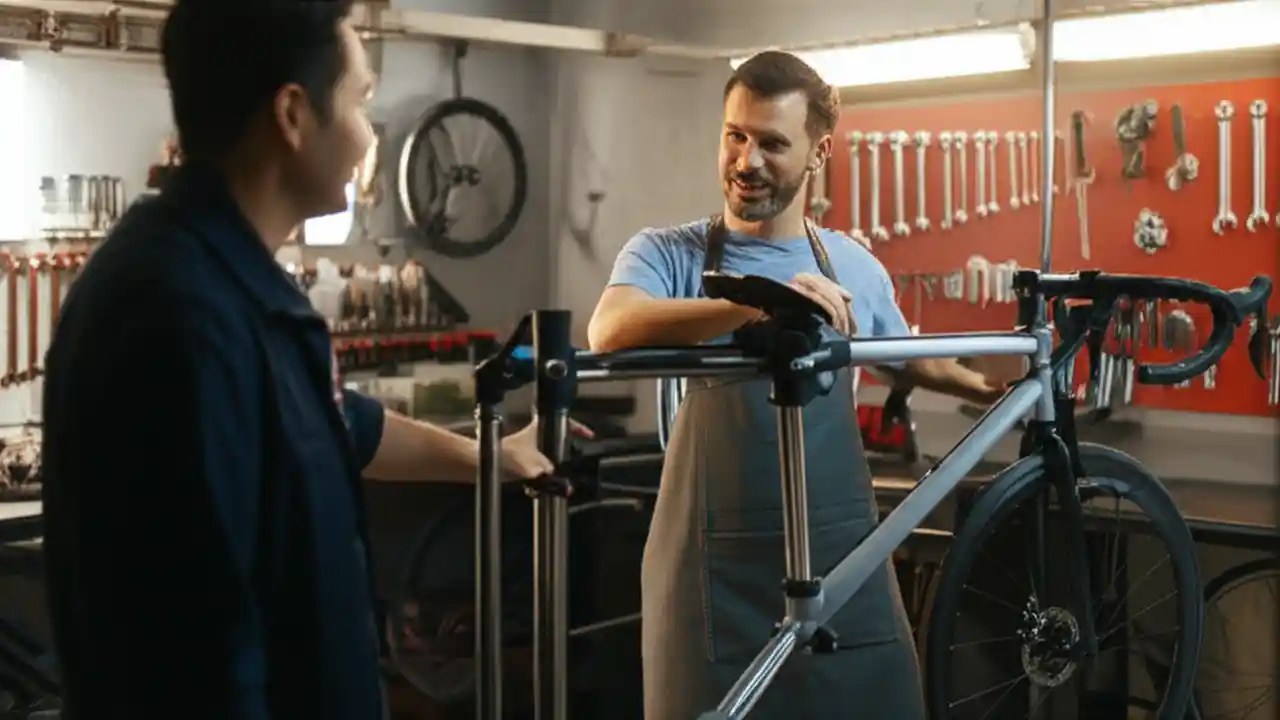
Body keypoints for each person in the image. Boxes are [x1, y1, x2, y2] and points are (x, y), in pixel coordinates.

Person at [39, 2, 586, 718]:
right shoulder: (177, 313)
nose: (366, 138)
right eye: (360, 102)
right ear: (293, 115)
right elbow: (200, 639)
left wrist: (492, 457)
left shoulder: (233, 291)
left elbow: (343, 424)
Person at [587, 51, 1005, 719]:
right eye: (735, 135)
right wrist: (760, 306)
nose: (746, 161)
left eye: (773, 143)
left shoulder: (851, 266)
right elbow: (611, 327)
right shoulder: (669, 253)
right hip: (711, 571)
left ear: (819, 152)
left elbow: (914, 360)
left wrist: (994, 382)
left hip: (839, 559)